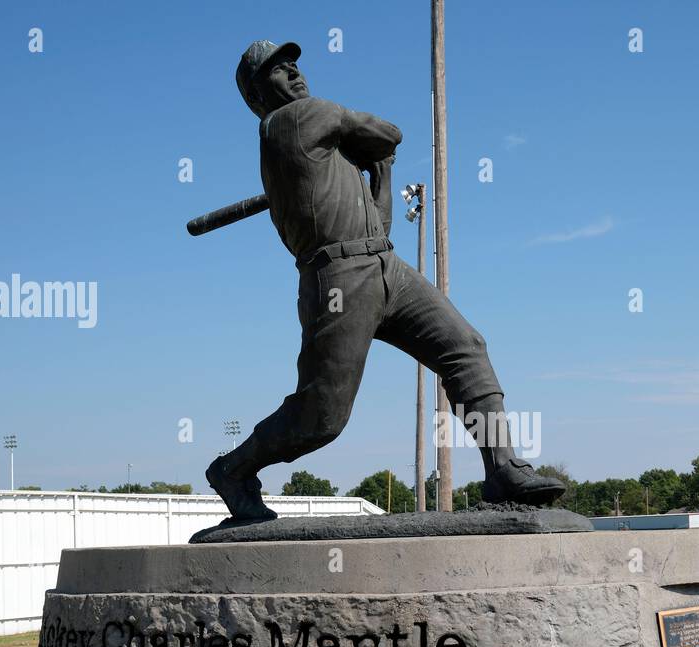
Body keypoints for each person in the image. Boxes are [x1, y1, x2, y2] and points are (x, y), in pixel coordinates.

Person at [205, 40, 565, 520]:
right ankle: (233, 469)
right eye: (277, 71)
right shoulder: (293, 120)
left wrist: (380, 173)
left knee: (466, 347)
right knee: (321, 418)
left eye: (294, 65)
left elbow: (378, 223)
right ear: (256, 95)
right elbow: (390, 132)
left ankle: (502, 468)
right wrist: (372, 148)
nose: (293, 74)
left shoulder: (328, 151)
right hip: (337, 279)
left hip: (383, 263)